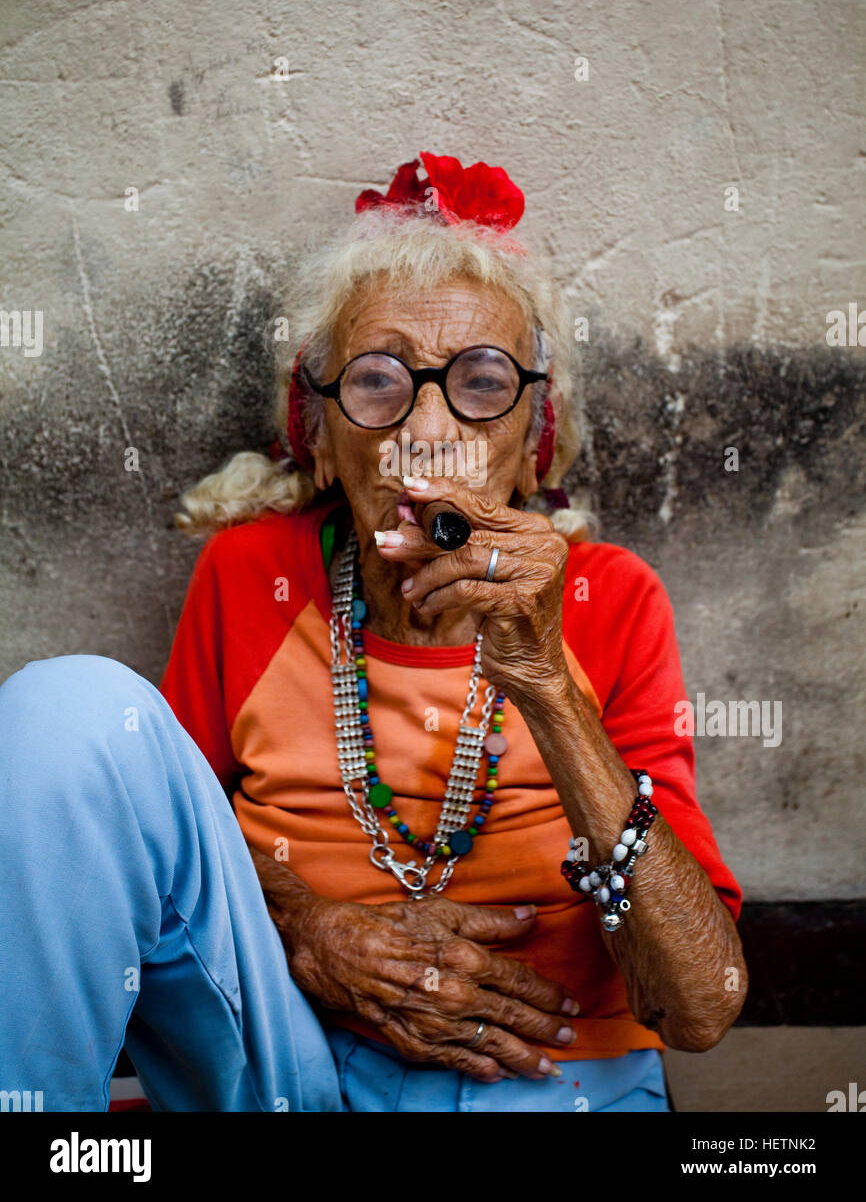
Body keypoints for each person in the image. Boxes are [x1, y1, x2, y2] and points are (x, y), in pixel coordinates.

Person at [0, 151, 746, 1112]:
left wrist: (548, 688)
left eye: (482, 382)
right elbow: (171, 854)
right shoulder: (249, 575)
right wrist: (313, 931)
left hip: (554, 1084)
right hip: (296, 1065)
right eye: (380, 381)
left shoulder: (611, 598)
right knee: (65, 709)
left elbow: (700, 1008)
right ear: (318, 434)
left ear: (535, 439)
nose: (427, 428)